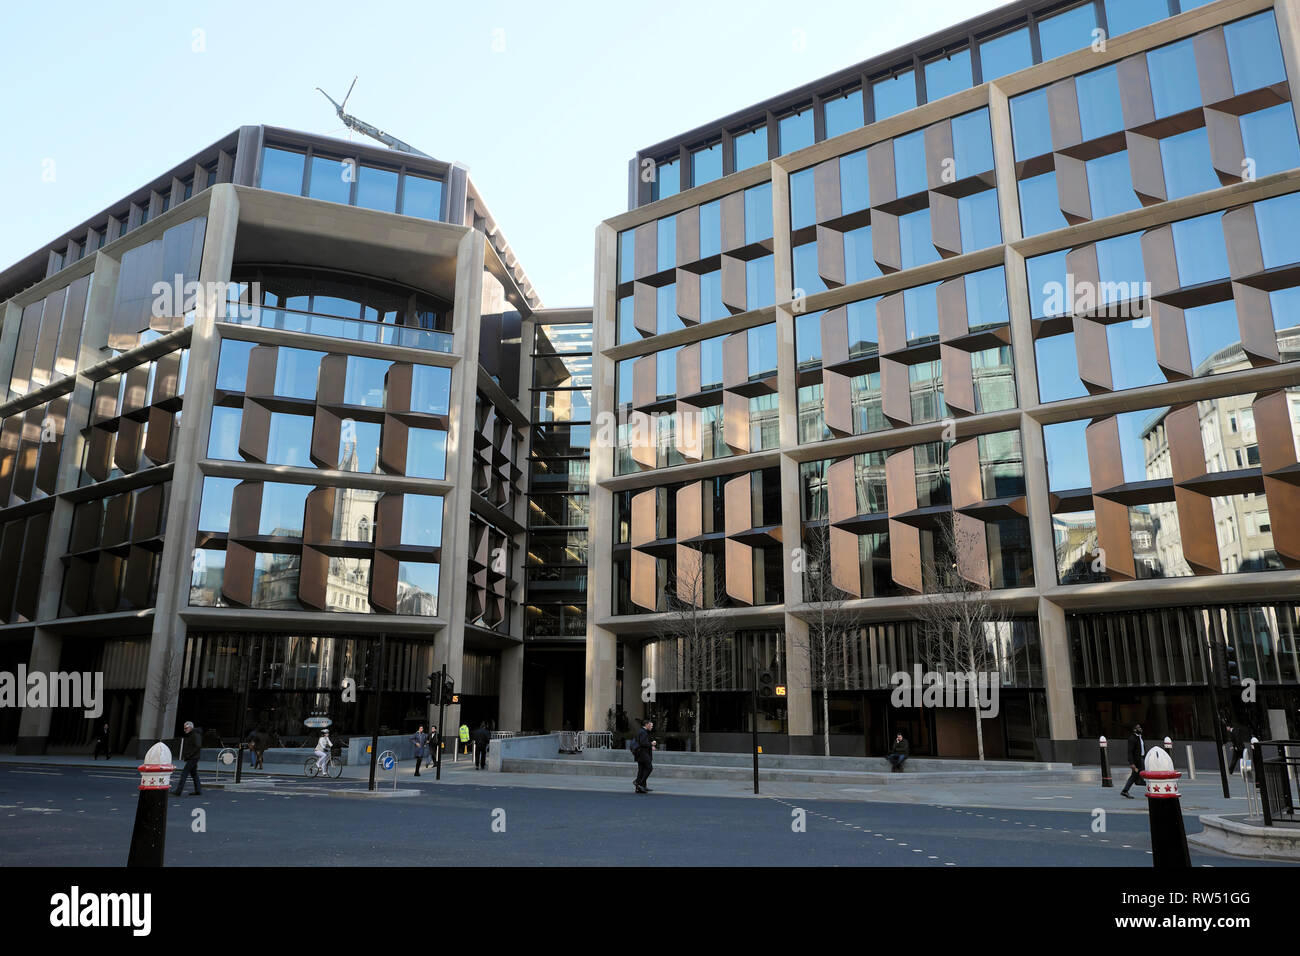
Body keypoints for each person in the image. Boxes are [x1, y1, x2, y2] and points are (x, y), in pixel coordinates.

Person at [172, 721, 202, 796]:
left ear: (190, 727)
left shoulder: (195, 735)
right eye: (184, 728)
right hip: (193, 757)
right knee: (194, 774)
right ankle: (198, 790)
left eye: (186, 728)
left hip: (193, 758)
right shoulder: (193, 734)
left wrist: (189, 755)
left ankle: (178, 791)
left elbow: (197, 746)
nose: (185, 730)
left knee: (184, 773)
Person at [1119, 723, 1146, 798]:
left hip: (1142, 758)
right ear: (1134, 730)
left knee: (1136, 775)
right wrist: (1131, 763)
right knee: (1136, 774)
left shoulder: (1140, 737)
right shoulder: (1132, 738)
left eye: (1140, 727)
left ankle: (1126, 790)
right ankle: (1125, 790)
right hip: (1137, 761)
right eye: (1138, 727)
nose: (1140, 728)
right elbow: (1130, 752)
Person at [632, 718, 656, 793]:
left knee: (641, 770)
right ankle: (638, 783)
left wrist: (650, 746)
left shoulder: (643, 731)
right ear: (646, 725)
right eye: (651, 725)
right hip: (642, 753)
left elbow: (643, 742)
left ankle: (640, 787)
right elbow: (643, 743)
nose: (652, 727)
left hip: (641, 753)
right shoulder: (643, 732)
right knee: (649, 768)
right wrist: (651, 744)